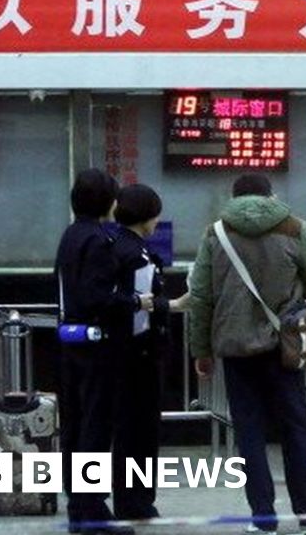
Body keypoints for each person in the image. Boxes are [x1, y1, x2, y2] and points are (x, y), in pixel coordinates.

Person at [187, 174, 306, 535]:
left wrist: (201, 350)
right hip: (284, 345)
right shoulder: (294, 227)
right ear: (271, 196)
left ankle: (263, 519)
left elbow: (201, 296)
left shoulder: (216, 234)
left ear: (234, 198)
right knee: (296, 428)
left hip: (235, 348)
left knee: (248, 432)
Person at [55, 169, 150, 535]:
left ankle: (78, 507)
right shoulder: (98, 240)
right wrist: (135, 301)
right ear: (107, 202)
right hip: (97, 347)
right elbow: (98, 297)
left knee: (75, 425)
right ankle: (93, 508)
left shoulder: (70, 235)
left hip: (71, 342)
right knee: (95, 428)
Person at [109, 183, 189, 520]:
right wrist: (174, 305)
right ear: (145, 217)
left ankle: (130, 498)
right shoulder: (137, 255)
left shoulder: (113, 245)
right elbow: (141, 309)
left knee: (126, 430)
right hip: (139, 355)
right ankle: (136, 501)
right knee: (139, 432)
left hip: (119, 354)